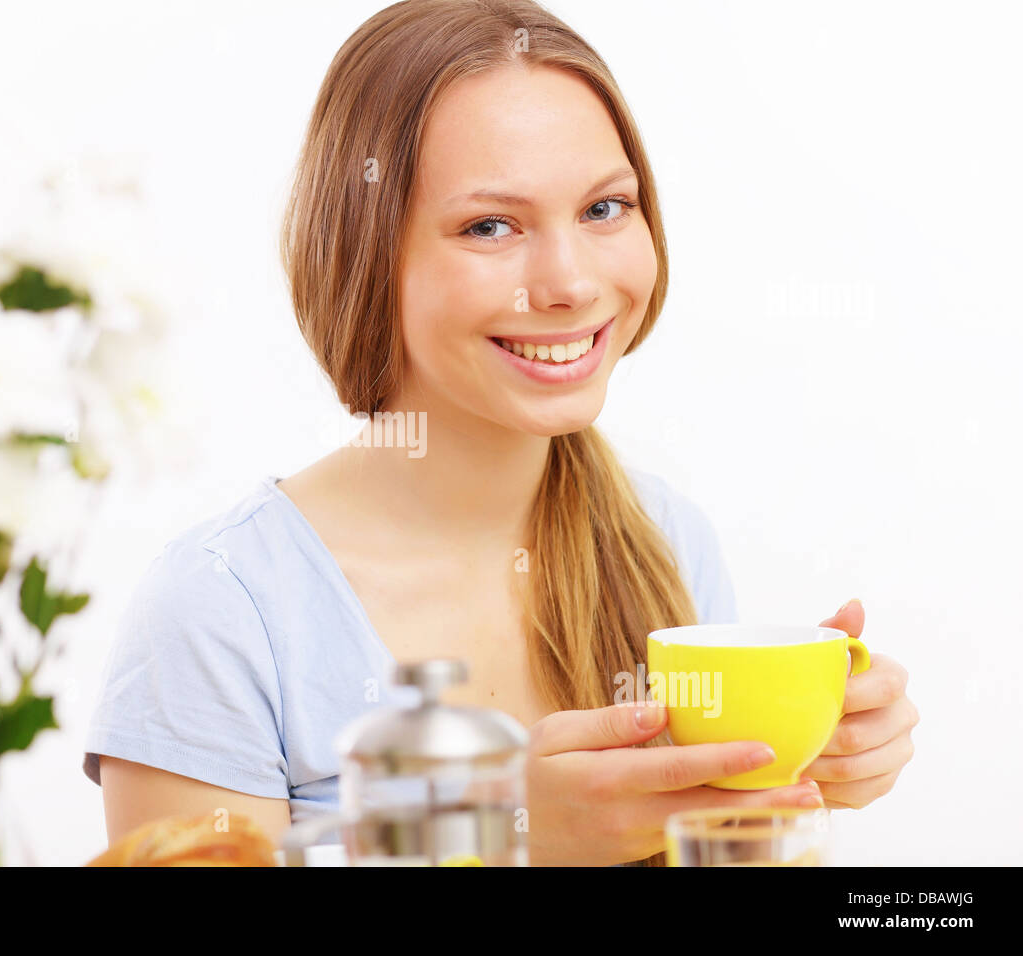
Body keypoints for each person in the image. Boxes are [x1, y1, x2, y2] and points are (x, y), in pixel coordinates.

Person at [83, 0, 917, 866]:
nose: (568, 283)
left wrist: (800, 767)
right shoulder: (223, 610)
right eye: (490, 226)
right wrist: (513, 844)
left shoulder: (667, 542)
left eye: (605, 208)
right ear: (366, 253)